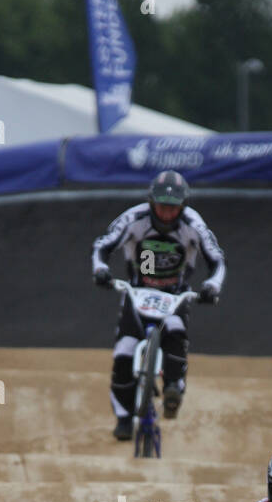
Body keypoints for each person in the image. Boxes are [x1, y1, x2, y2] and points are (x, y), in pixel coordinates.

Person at [91, 171, 226, 440]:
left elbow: (217, 260)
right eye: (162, 207)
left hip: (175, 295)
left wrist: (212, 287)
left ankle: (174, 386)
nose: (166, 214)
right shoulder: (133, 218)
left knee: (175, 331)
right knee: (124, 353)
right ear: (151, 203)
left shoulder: (194, 224)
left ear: (183, 206)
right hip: (137, 292)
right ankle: (124, 417)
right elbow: (102, 246)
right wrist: (100, 269)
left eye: (173, 208)